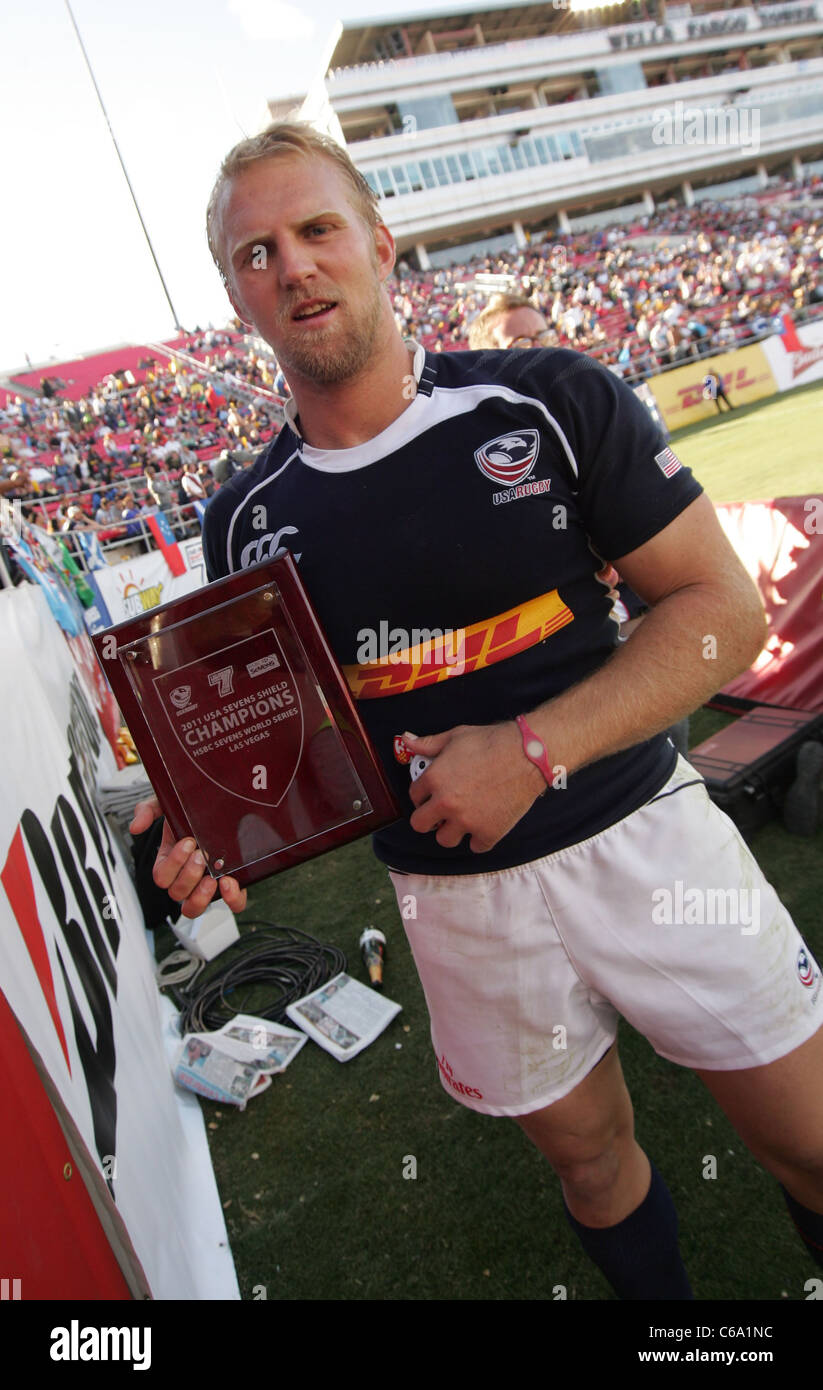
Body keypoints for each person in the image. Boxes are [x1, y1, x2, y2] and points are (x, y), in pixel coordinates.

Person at [131, 122, 823, 1302]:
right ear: (236, 303)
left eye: (314, 230)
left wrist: (535, 746)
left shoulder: (549, 397)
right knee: (592, 1165)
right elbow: (292, 750)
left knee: (805, 1138)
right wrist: (207, 822)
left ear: (380, 246)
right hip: (452, 899)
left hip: (646, 837)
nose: (290, 265)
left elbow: (720, 615)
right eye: (254, 254)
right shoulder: (239, 520)